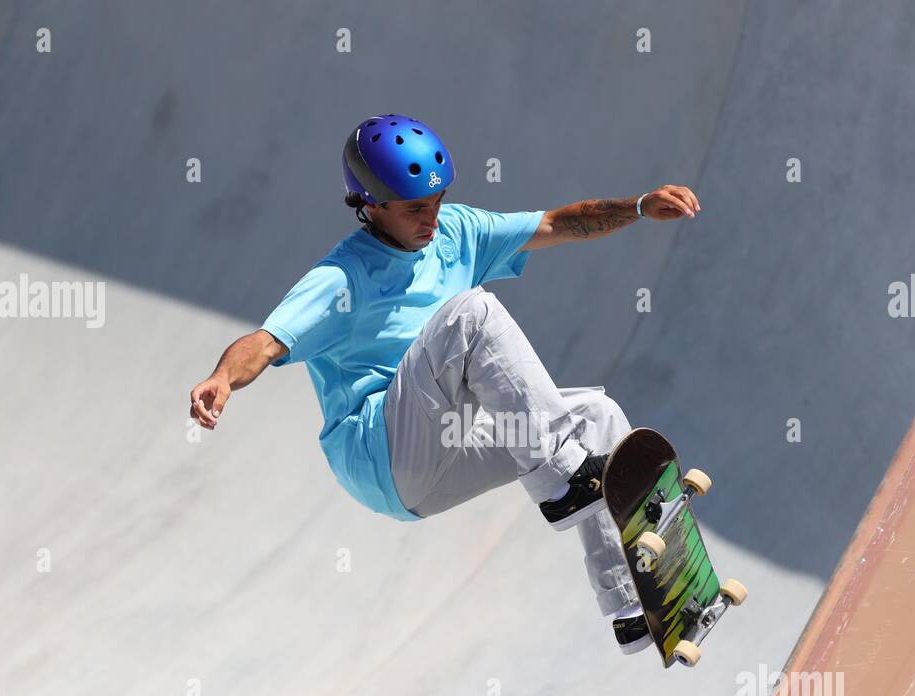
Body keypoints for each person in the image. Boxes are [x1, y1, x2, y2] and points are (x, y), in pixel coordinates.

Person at [189, 114, 701, 655]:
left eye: (434, 203)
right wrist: (223, 377)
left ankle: (635, 603)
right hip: (380, 453)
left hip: (443, 452)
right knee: (471, 313)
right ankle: (560, 481)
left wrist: (640, 206)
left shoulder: (457, 231)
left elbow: (557, 224)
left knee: (598, 419)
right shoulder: (343, 277)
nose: (430, 219)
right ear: (370, 205)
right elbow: (266, 342)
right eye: (414, 209)